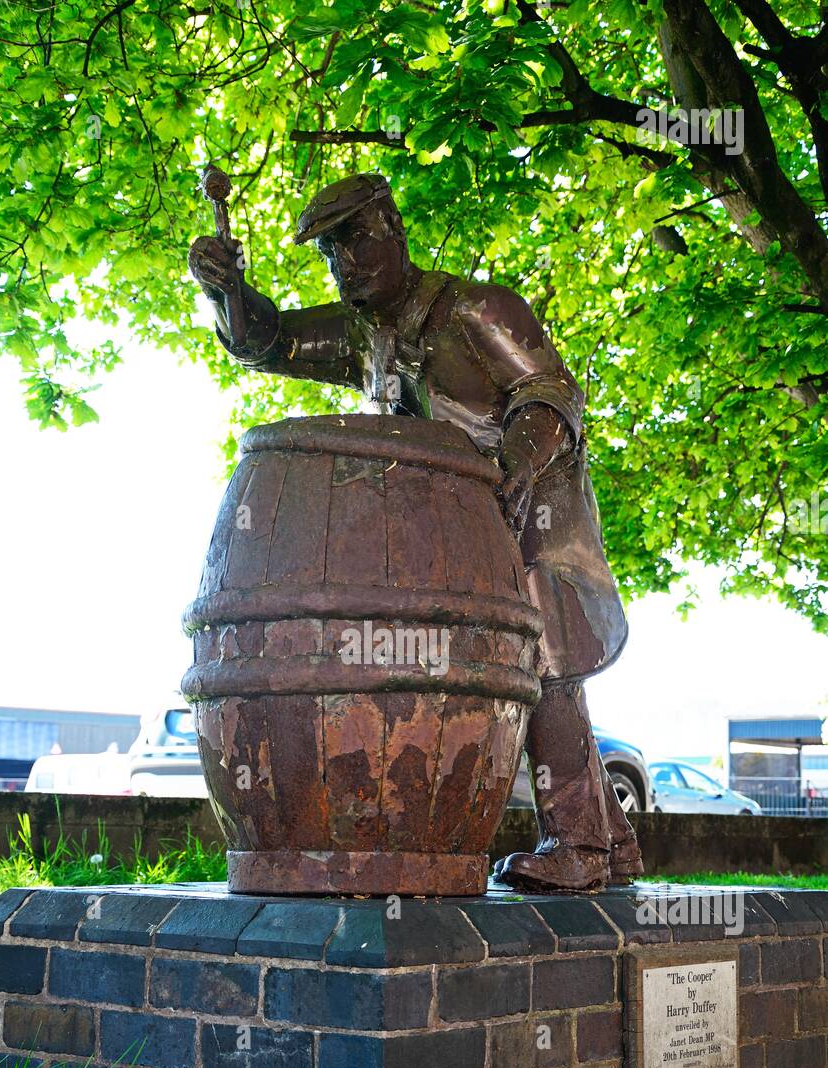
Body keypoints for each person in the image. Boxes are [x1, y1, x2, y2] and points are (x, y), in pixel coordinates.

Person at [188, 172, 643, 890]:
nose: (345, 265)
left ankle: (581, 848)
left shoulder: (480, 310)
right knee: (534, 669)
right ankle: (607, 844)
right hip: (459, 525)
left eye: (357, 243)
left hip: (532, 512)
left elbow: (551, 395)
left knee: (545, 667)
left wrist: (512, 474)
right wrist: (225, 290)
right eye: (332, 255)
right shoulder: (362, 332)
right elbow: (268, 344)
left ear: (395, 231)